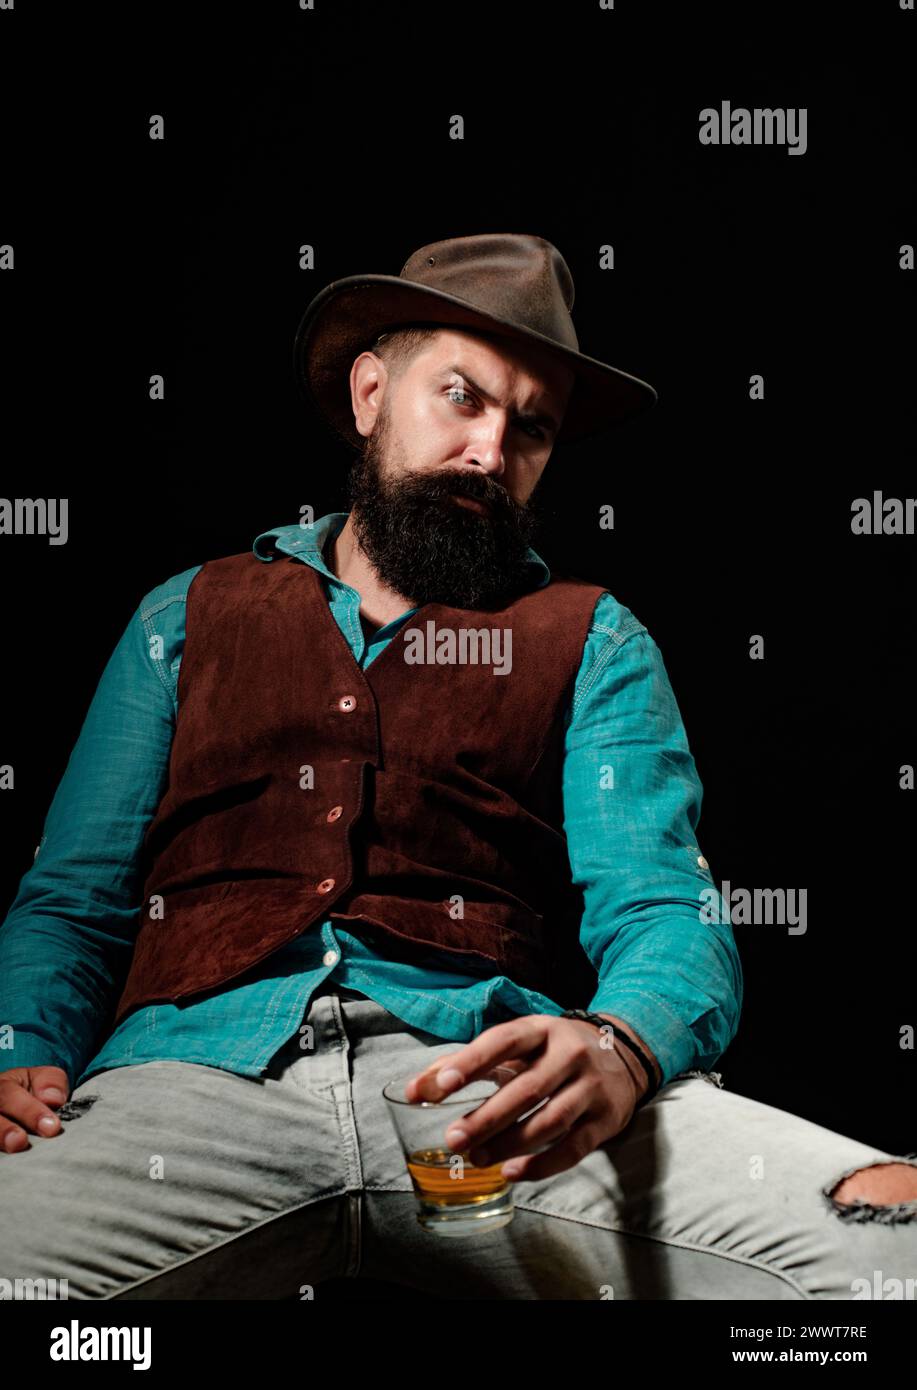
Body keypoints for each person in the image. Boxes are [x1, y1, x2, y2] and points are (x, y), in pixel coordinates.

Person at [1, 233, 915, 1303]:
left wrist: (618, 1046)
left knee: (887, 1247)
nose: (491, 449)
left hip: (489, 1094)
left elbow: (666, 909)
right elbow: (72, 903)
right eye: (461, 398)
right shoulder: (183, 616)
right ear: (369, 394)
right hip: (188, 1084)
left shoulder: (592, 638)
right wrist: (16, 1045)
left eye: (531, 427)